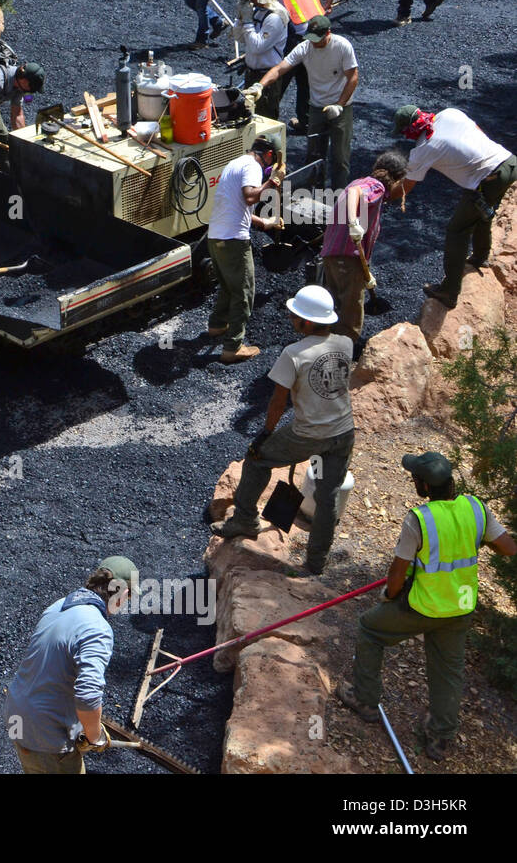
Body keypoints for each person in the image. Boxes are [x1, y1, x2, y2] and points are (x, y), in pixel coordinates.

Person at [337, 452, 516, 761]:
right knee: (448, 671)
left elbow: (397, 573)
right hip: (460, 609)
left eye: (414, 479)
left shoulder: (419, 519)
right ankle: (440, 739)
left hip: (422, 608)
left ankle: (365, 700)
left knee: (369, 627)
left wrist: (390, 596)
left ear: (423, 486)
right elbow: (509, 549)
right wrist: (477, 539)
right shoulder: (476, 509)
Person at [212, 284, 355, 575]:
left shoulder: (293, 353)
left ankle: (246, 519)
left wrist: (265, 435)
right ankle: (316, 563)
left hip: (308, 435)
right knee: (327, 498)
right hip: (343, 433)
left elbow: (278, 402)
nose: (291, 320)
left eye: (295, 317)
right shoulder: (345, 343)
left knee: (257, 459)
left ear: (310, 321)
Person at [2, 556, 139, 774]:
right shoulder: (97, 628)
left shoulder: (60, 605)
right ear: (122, 594)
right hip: (46, 733)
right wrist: (95, 737)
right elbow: (87, 695)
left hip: (17, 715)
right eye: (129, 597)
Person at [393, 104, 517, 309]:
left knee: (457, 230)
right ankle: (480, 257)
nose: (406, 137)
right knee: (481, 213)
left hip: (489, 178)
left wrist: (383, 196)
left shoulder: (423, 149)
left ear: (409, 130)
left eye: (405, 133)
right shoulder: (450, 113)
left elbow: (407, 186)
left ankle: (449, 292)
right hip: (509, 162)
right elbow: (478, 133)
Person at [248, 15, 357, 187]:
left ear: (328, 33)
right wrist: (259, 86)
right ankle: (316, 193)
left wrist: (340, 105)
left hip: (341, 108)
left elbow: (353, 77)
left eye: (318, 39)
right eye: (311, 38)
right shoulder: (305, 48)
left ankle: (339, 199)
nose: (314, 43)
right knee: (313, 155)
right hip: (317, 107)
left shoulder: (342, 46)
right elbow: (279, 69)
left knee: (340, 157)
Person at [204, 133, 286, 363]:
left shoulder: (235, 163)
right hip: (234, 240)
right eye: (273, 160)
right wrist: (274, 181)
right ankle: (233, 346)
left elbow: (240, 208)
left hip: (216, 236)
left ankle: (217, 325)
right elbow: (250, 197)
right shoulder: (253, 167)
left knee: (229, 286)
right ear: (269, 155)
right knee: (244, 292)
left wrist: (266, 223)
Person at [319, 151, 408, 340]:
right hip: (346, 256)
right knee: (350, 308)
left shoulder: (360, 181)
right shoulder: (376, 186)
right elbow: (355, 194)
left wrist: (364, 268)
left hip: (333, 253)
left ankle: (326, 341)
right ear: (397, 178)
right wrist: (353, 223)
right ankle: (345, 348)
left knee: (334, 303)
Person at [257, 0, 338, 134]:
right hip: (319, 35)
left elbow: (263, 10)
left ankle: (269, 122)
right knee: (307, 80)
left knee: (281, 78)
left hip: (297, 36)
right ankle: (306, 122)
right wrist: (328, 5)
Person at [234, 0, 289, 120]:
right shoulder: (257, 11)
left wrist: (247, 21)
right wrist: (240, 18)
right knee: (249, 115)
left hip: (266, 77)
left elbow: (257, 47)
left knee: (265, 118)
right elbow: (239, 38)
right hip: (251, 73)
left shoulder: (275, 17)